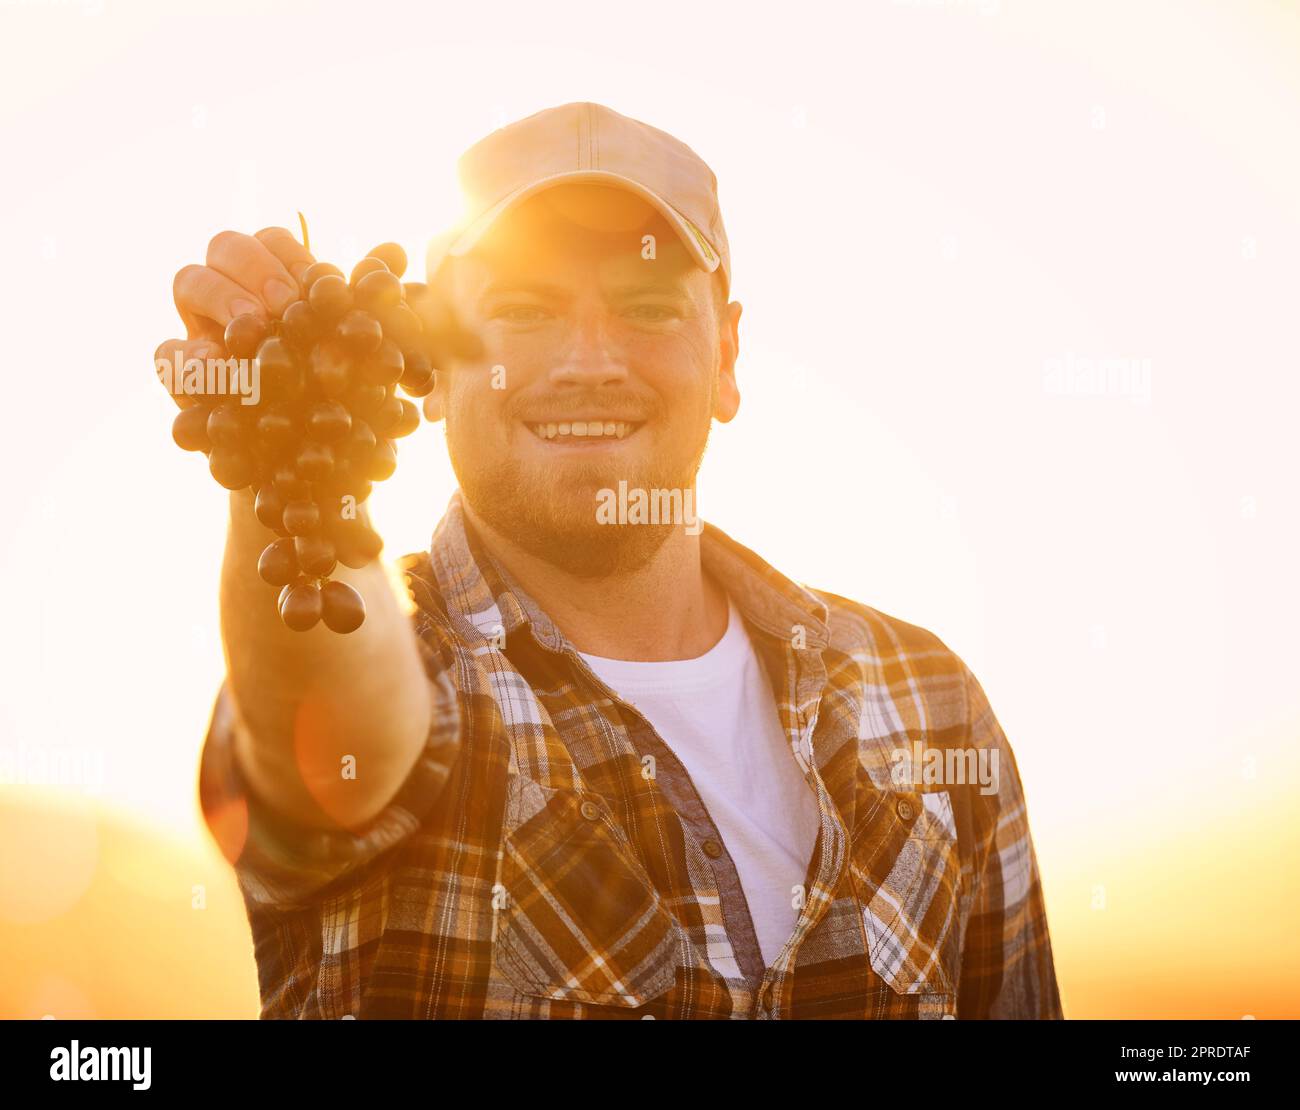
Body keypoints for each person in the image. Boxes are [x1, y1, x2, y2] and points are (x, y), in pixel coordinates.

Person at [162, 101, 1063, 1019]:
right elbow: (329, 709)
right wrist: (286, 450)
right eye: (522, 309)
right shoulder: (416, 676)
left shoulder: (929, 702)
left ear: (726, 355)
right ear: (427, 361)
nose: (588, 361)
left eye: (645, 307)